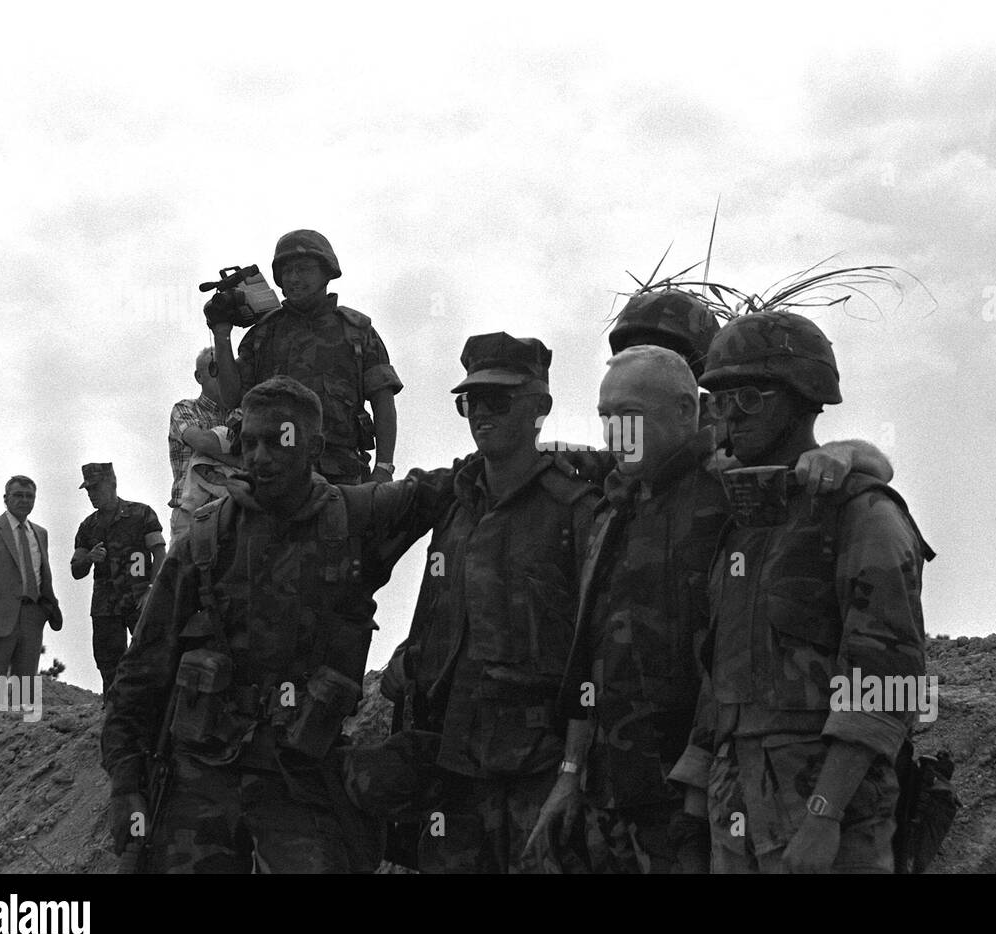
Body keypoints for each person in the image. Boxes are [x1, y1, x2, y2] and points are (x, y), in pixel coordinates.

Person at [527, 345, 896, 873]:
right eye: (606, 419)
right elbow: (590, 656)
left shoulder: (733, 482)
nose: (615, 434)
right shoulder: (613, 509)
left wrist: (850, 453)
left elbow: (852, 467)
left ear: (686, 410)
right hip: (609, 795)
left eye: (629, 416)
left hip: (702, 794)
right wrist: (569, 772)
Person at [102, 376, 455, 873]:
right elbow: (138, 677)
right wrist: (125, 783)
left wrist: (569, 460)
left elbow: (456, 483)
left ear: (313, 445)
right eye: (250, 443)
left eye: (278, 440)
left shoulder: (355, 519)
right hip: (200, 781)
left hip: (300, 779)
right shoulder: (204, 542)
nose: (260, 456)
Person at [668, 310, 934, 874]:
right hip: (735, 814)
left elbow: (887, 681)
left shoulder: (861, 515)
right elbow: (720, 676)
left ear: (803, 398)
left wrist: (824, 814)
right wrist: (697, 796)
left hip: (826, 827)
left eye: (750, 398)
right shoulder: (742, 520)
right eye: (718, 400)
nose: (730, 416)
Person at [379, 332, 599, 874]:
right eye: (469, 402)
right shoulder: (456, 507)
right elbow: (434, 612)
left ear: (539, 408)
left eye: (497, 400)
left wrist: (573, 770)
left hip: (537, 768)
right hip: (454, 763)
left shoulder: (577, 510)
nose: (480, 413)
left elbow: (593, 652)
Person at [208, 229, 401, 485]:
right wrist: (222, 335)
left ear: (327, 272)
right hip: (273, 474)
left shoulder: (356, 331)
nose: (294, 278)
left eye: (303, 269)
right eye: (287, 271)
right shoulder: (263, 334)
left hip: (341, 474)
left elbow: (383, 400)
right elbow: (231, 397)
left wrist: (384, 468)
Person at [71, 464, 166, 700]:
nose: (92, 494)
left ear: (112, 484)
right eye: (89, 490)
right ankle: (113, 709)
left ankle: (152, 708)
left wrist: (153, 591)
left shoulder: (141, 514)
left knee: (151, 657)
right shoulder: (87, 526)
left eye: (96, 488)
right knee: (108, 663)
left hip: (140, 600)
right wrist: (89, 558)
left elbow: (161, 554)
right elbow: (76, 569)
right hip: (105, 607)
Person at [0, 475, 62, 679]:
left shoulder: (40, 533)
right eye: (18, 495)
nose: (24, 500)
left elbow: (42, 575)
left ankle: (20, 712)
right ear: (6, 498)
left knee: (25, 686)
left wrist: (46, 609)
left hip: (32, 616)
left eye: (30, 496)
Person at [167, 346, 235, 548]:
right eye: (213, 369)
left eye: (227, 370)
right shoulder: (185, 409)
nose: (221, 376)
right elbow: (202, 442)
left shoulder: (240, 413)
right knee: (185, 578)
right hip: (191, 516)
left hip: (231, 514)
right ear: (199, 376)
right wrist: (238, 457)